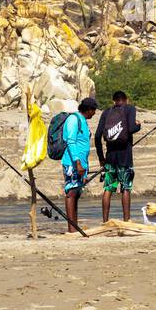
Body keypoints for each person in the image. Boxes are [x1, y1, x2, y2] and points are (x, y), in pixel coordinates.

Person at [95, 90, 141, 223]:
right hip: (125, 157)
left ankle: (105, 221)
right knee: (126, 187)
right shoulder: (130, 109)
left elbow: (98, 136)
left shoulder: (106, 112)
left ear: (113, 101)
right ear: (126, 100)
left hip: (110, 157)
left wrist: (101, 158)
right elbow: (131, 128)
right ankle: (126, 220)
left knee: (108, 188)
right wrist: (139, 126)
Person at [62, 97, 97, 233]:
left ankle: (74, 226)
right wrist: (77, 163)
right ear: (88, 110)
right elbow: (71, 142)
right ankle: (72, 229)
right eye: (93, 111)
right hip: (72, 163)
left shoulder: (83, 121)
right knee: (71, 192)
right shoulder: (73, 119)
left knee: (76, 193)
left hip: (81, 164)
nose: (94, 114)